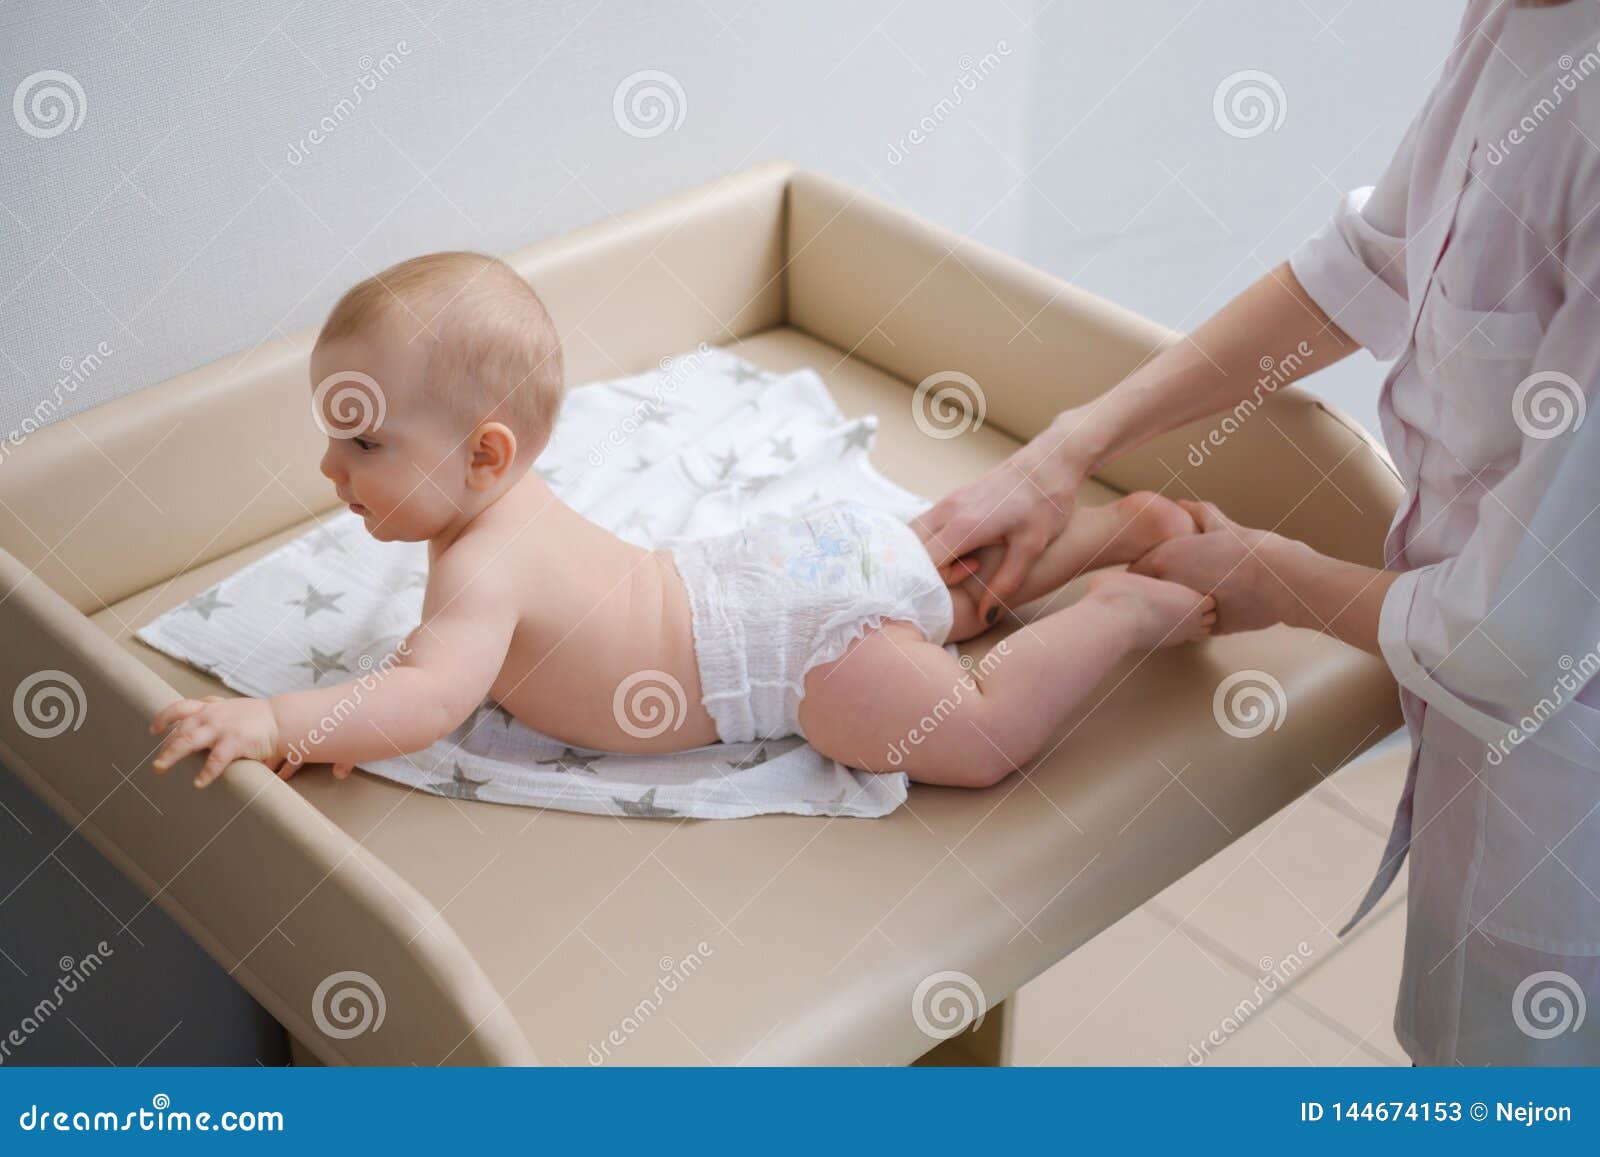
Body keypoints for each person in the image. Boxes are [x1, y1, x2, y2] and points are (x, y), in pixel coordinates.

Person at [915, 0, 1600, 1064]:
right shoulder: (1520, 19)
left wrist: (1273, 579)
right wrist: (1068, 445)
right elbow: (1369, 265)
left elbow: (1517, 632)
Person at [148, 250, 1215, 796]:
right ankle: (1117, 529)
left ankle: (1121, 608)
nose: (331, 469)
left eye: (366, 444)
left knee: (970, 732)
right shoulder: (507, 511)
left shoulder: (484, 567)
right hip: (784, 564)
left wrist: (282, 720)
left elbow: (426, 694)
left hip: (783, 652)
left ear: (485, 454)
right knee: (950, 599)